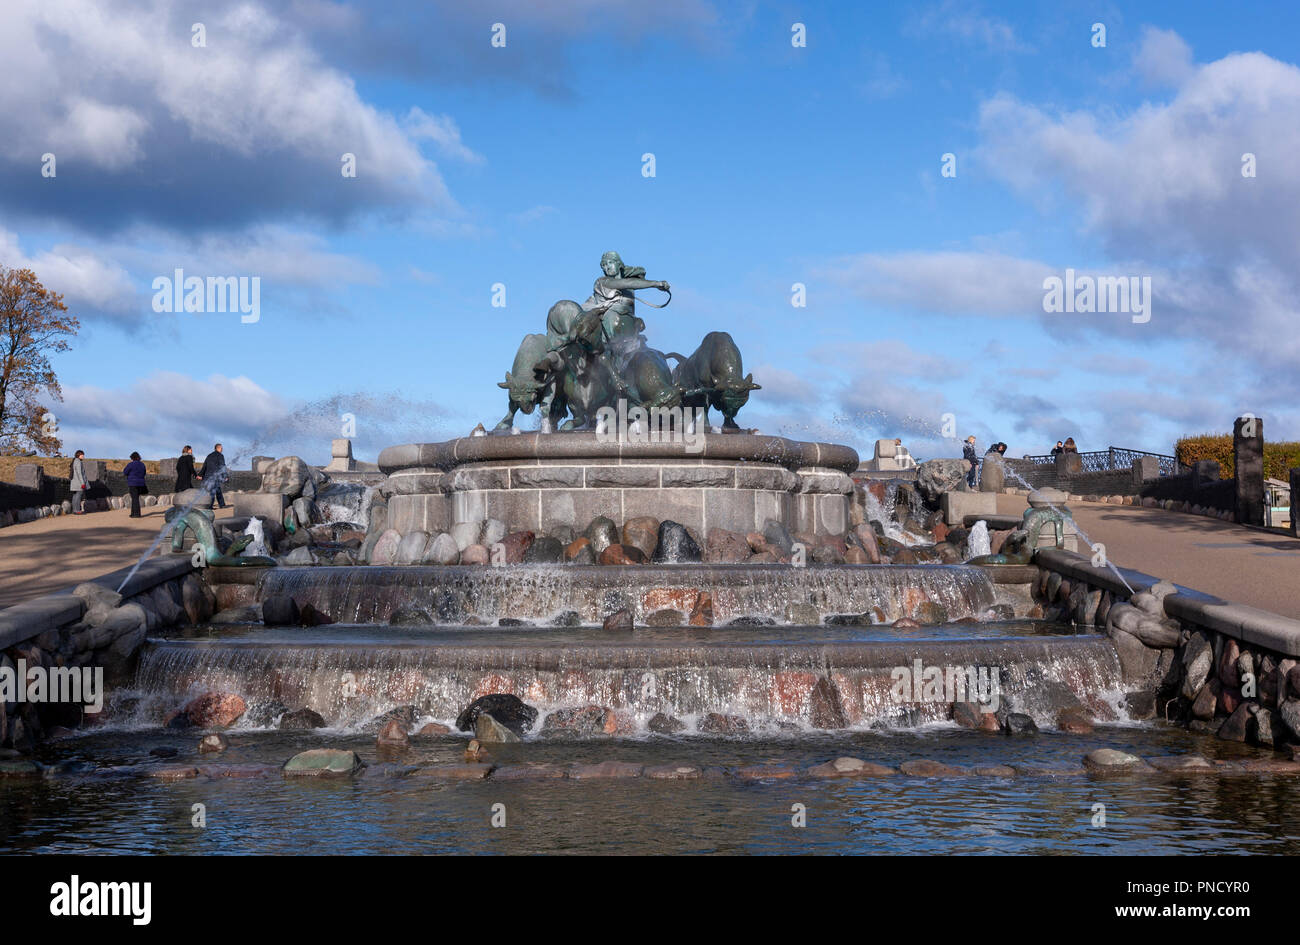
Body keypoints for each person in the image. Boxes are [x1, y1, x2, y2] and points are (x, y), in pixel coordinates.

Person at [200, 443, 227, 509]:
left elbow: (204, 466)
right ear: (218, 448)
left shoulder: (209, 455)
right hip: (215, 476)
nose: (222, 449)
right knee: (213, 491)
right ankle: (209, 506)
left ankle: (222, 504)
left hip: (208, 476)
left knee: (217, 490)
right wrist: (225, 476)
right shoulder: (220, 455)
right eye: (221, 448)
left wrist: (200, 474)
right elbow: (222, 466)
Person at [123, 452, 147, 518]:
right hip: (141, 484)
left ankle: (136, 514)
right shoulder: (142, 464)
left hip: (132, 483)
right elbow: (144, 473)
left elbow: (125, 472)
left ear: (132, 458)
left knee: (134, 498)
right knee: (135, 498)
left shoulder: (131, 464)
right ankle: (133, 513)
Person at [69, 450, 88, 514]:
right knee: (78, 496)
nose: (83, 456)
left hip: (75, 482)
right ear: (79, 455)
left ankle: (74, 510)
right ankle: (77, 510)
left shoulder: (74, 461)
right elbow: (80, 473)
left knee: (75, 496)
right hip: (78, 483)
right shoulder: (78, 462)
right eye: (82, 455)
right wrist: (82, 483)